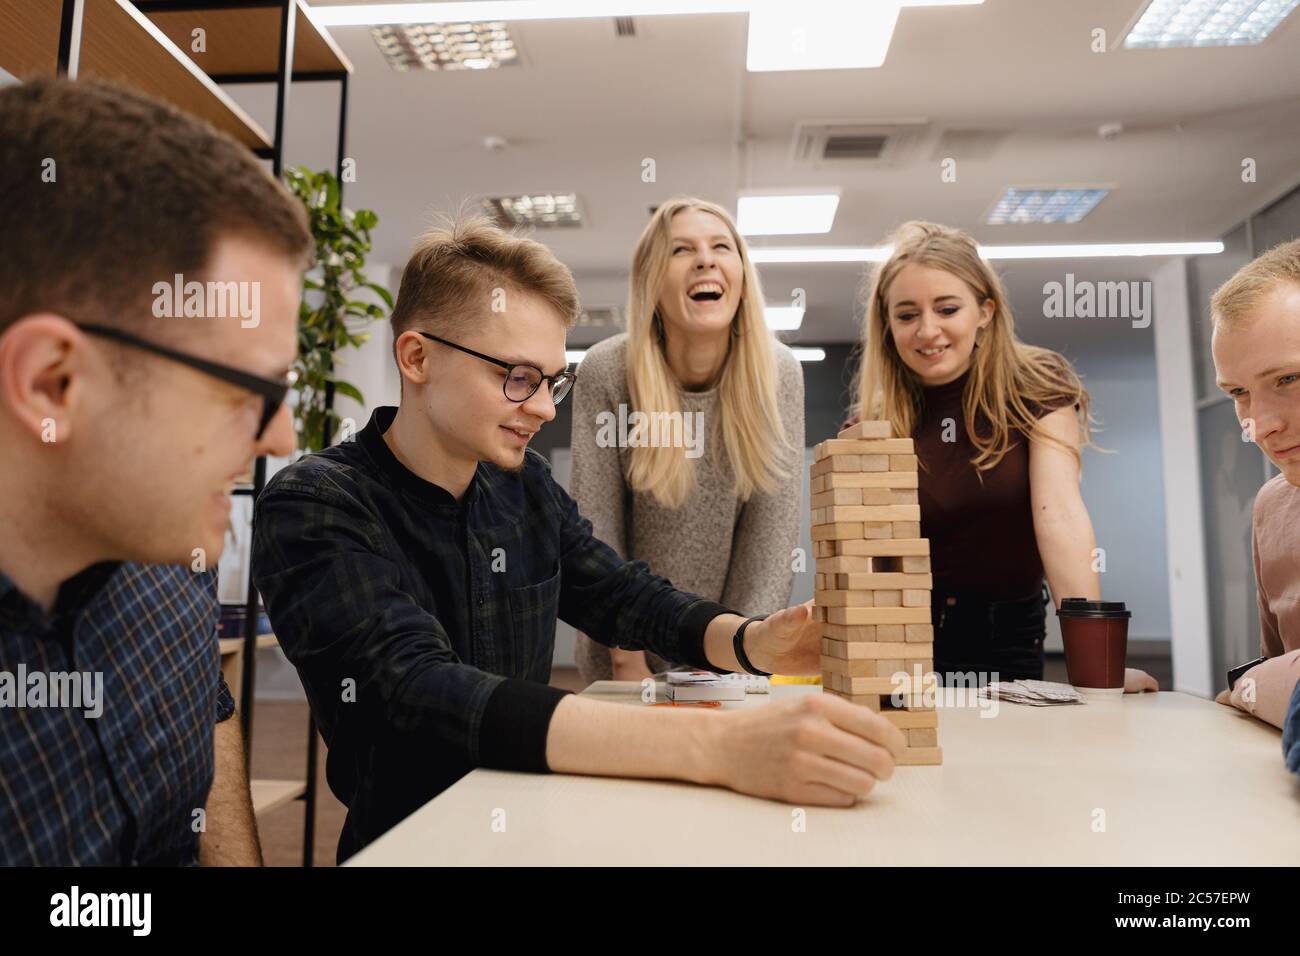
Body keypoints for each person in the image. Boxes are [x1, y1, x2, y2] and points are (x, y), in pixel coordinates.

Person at [251, 214, 905, 862]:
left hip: (536, 825)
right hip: (414, 846)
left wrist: (751, 639)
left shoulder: (524, 485)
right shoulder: (315, 505)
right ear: (418, 357)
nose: (542, 408)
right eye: (517, 378)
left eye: (552, 381)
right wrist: (714, 747)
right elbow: (417, 691)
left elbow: (619, 593)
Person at [0, 78, 309, 864]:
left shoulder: (172, 549)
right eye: (247, 390)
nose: (282, 437)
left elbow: (204, 731)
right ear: (51, 383)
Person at [852, 221, 1157, 691]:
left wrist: (1097, 667)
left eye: (948, 308)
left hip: (1003, 631)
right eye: (907, 315)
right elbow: (863, 557)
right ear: (887, 325)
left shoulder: (1036, 385)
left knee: (1007, 761)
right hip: (898, 637)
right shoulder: (870, 423)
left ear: (985, 311)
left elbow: (1060, 518)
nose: (927, 330)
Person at [572, 197, 804, 684]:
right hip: (624, 655)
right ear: (653, 282)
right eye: (682, 250)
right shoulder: (609, 370)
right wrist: (626, 658)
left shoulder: (778, 373)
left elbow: (770, 538)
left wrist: (738, 652)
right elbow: (597, 530)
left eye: (722, 246)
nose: (706, 259)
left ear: (741, 278)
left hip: (735, 655)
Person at [1208, 237, 1300, 736]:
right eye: (1239, 393)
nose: (1258, 426)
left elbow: (1260, 687)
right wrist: (1257, 686)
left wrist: (1249, 687)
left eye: (1288, 378)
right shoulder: (1272, 505)